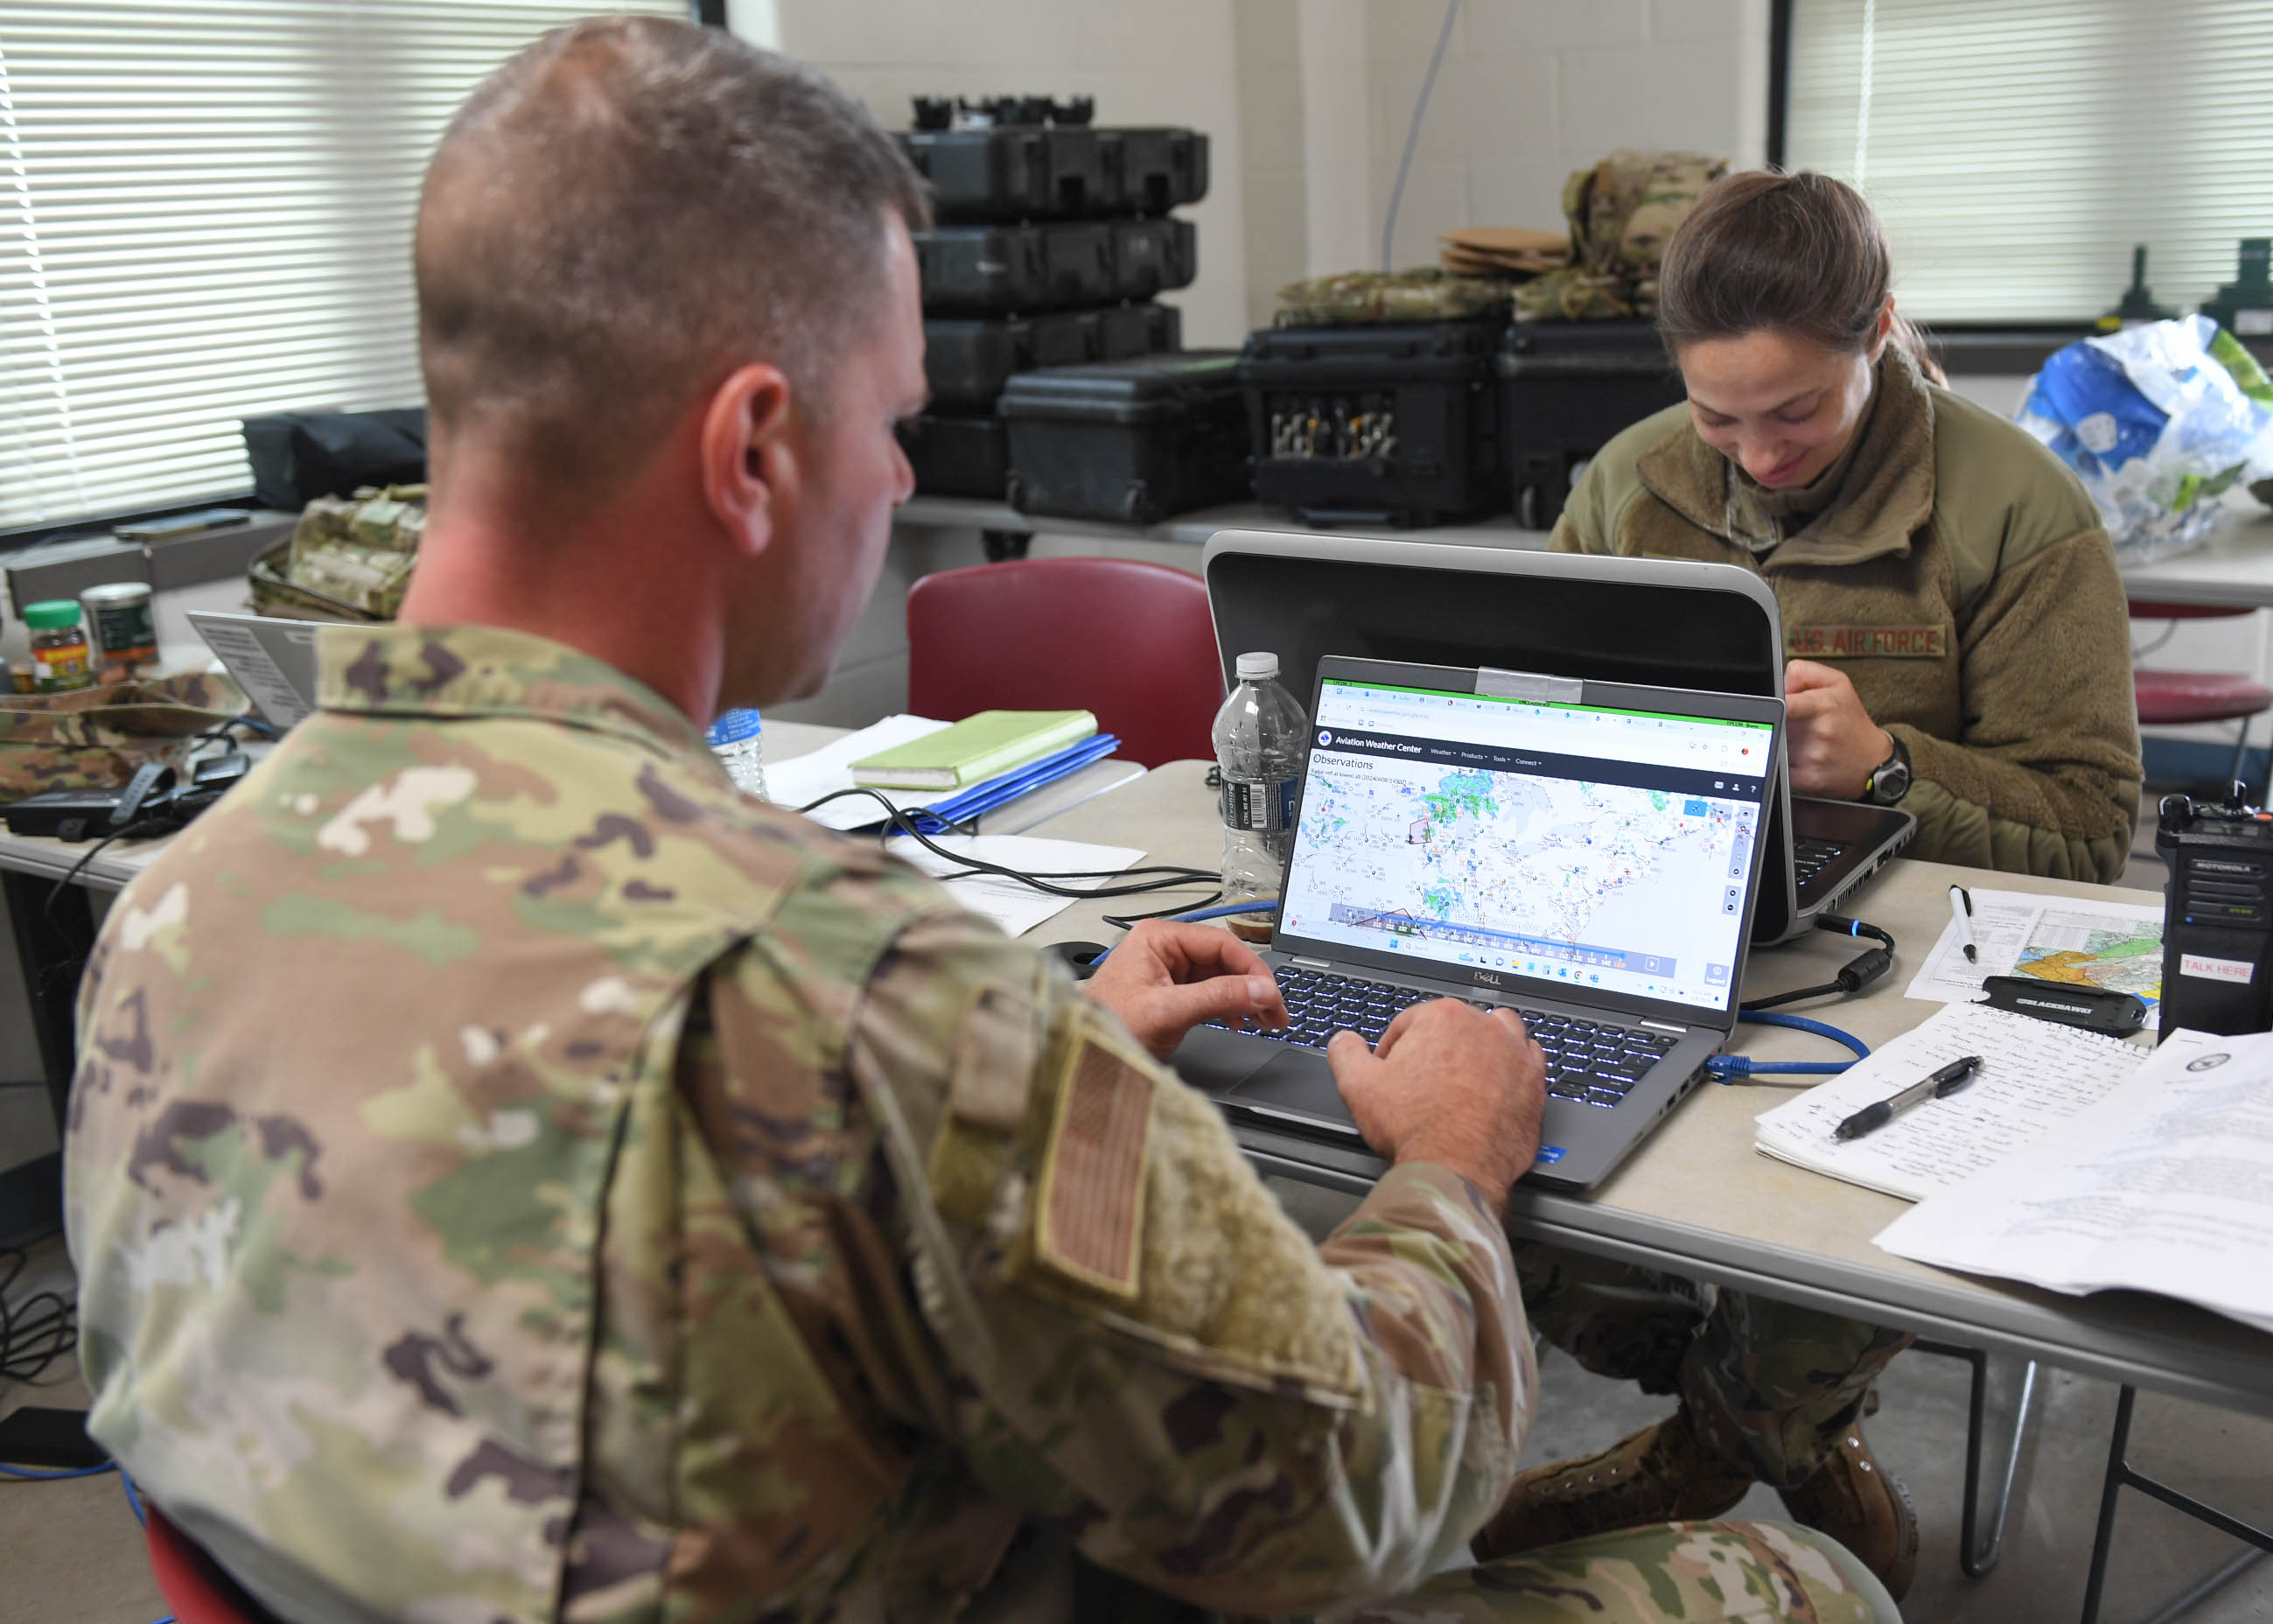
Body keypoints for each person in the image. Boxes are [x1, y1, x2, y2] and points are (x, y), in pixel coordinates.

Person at [61, 23, 1895, 1624]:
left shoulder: (176, 900)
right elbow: (1357, 1497)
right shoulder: (867, 1000)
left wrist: (1047, 1082)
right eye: (894, 429)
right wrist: (1453, 1167)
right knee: (1809, 1590)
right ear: (752, 449)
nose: (898, 483)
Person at [1480, 170, 2144, 1597]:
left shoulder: (2014, 510)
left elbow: (2092, 836)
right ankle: (1763, 1416)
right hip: (1653, 918)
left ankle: (1702, 1451)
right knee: (1474, 1120)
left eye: (1796, 413)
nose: (1754, 453)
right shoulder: (1629, 479)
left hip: (1914, 975)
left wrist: (1893, 766)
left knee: (1872, 1181)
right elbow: (1535, 725)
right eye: (1719, 416)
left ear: (1881, 336)